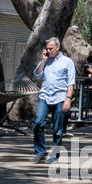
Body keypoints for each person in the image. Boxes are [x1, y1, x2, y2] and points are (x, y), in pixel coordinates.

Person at [31, 35, 75, 164]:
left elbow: (71, 83)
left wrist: (68, 99)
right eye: (47, 48)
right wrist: (43, 60)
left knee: (58, 129)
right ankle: (40, 152)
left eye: (51, 48)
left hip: (60, 98)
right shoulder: (46, 60)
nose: (48, 51)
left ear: (58, 47)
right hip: (45, 96)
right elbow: (37, 75)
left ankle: (55, 156)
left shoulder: (67, 62)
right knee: (38, 123)